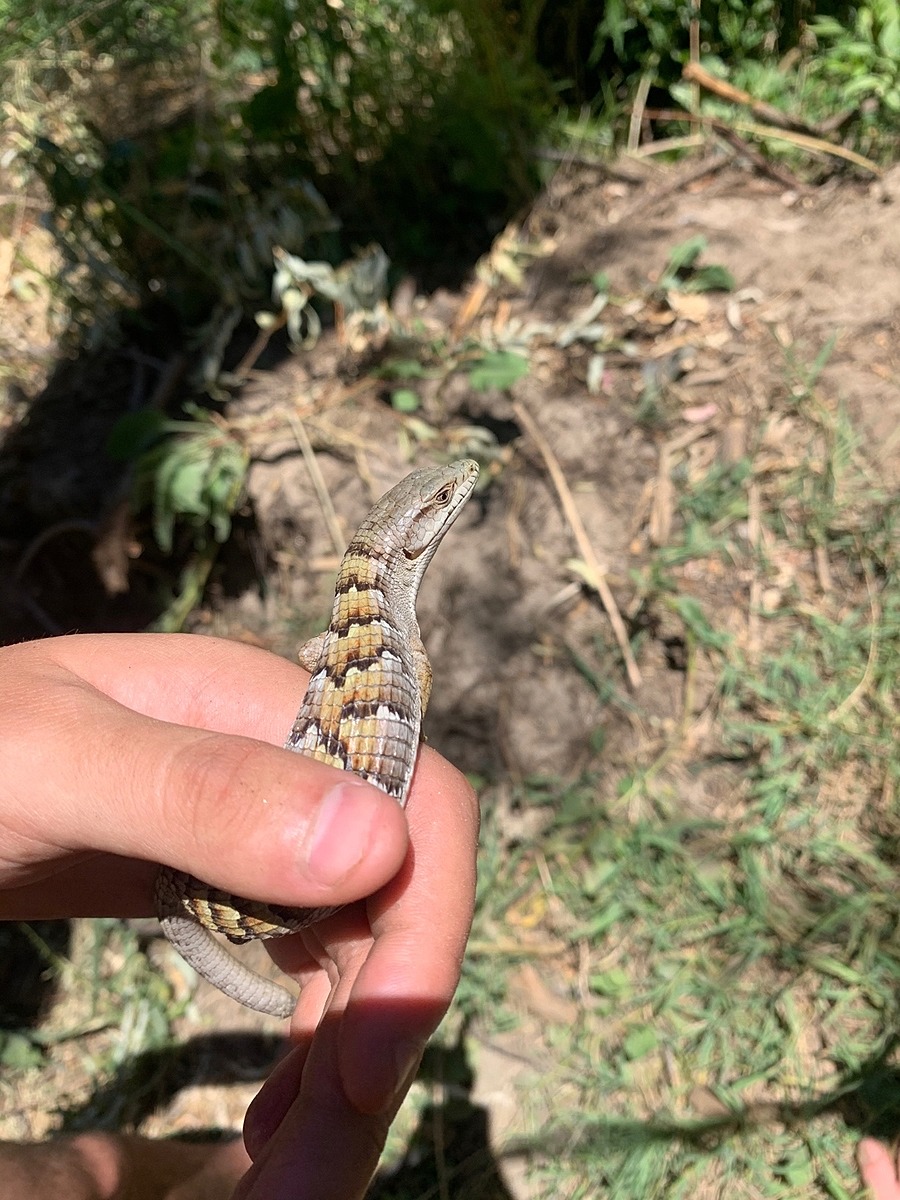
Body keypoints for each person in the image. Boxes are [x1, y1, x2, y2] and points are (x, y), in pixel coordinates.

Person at [0, 633, 479, 1200]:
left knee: (84, 1177)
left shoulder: (370, 626)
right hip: (272, 899)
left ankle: (182, 1175)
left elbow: (315, 653)